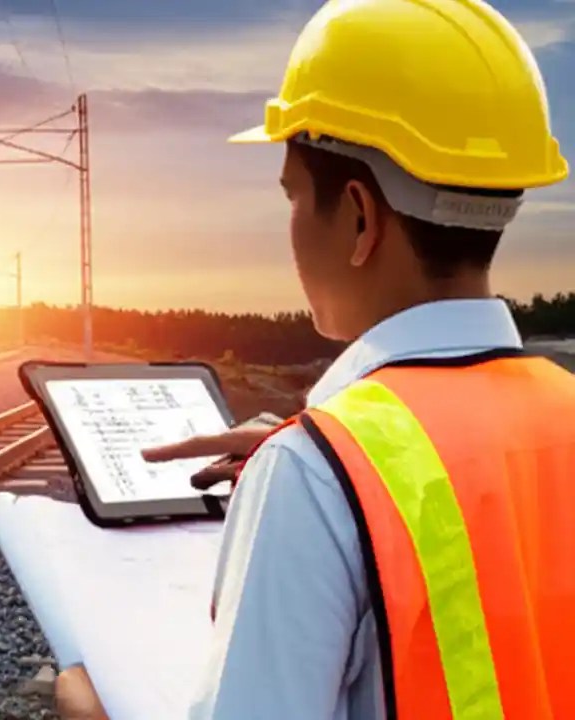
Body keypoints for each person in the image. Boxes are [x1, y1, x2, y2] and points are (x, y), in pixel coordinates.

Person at [54, 0, 575, 718]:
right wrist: (319, 445)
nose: (292, 232)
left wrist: (92, 708)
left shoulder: (311, 477)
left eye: (293, 197)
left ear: (359, 218)